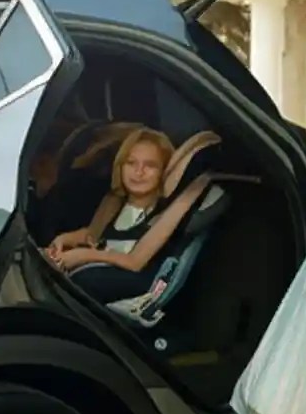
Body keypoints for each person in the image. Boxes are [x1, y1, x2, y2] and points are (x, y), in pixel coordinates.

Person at [47, 127, 210, 304]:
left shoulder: (165, 212)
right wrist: (64, 239)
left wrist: (84, 255)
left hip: (127, 289)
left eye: (150, 165)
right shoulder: (113, 200)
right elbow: (93, 235)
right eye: (131, 163)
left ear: (164, 171)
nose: (138, 172)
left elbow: (135, 262)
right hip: (95, 271)